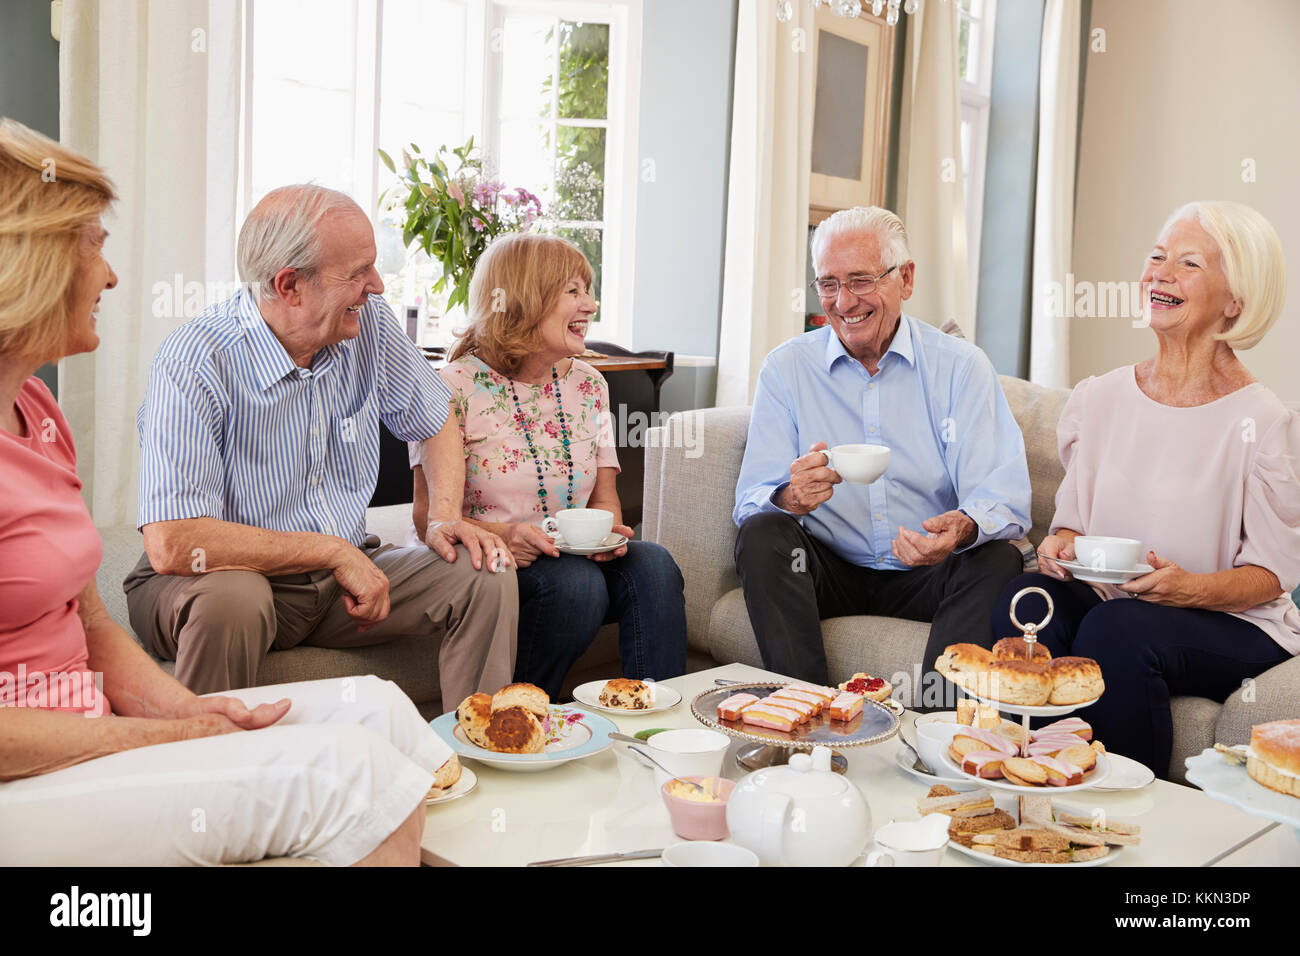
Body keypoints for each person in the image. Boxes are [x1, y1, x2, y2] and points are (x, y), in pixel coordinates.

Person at [0, 118, 448, 865]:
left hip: (85, 723)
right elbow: (174, 543)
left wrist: (198, 710)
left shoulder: (38, 415)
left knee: (379, 714)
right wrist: (164, 738)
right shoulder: (198, 356)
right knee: (355, 779)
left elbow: (88, 623)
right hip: (28, 774)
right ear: (27, 263)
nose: (110, 277)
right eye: (93, 245)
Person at [123, 183, 518, 708]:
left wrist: (445, 517)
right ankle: (205, 774)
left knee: (483, 570)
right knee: (234, 598)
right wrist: (330, 550)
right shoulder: (195, 360)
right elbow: (173, 543)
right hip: (214, 581)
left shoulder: (367, 324)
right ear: (290, 286)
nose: (377, 285)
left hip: (338, 581)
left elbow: (435, 415)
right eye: (358, 273)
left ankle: (475, 759)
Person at [992, 200, 1300, 778]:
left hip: (1237, 624)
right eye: (1157, 257)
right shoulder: (1102, 398)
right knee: (1027, 600)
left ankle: (1129, 810)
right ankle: (1028, 783)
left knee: (1119, 629)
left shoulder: (1264, 422)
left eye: (1188, 264)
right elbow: (1070, 526)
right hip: (1120, 602)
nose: (1160, 273)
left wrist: (1188, 588)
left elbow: (1271, 576)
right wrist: (1058, 547)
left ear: (1235, 302)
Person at [733, 206, 1031, 697]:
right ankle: (808, 719)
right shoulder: (786, 369)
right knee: (764, 533)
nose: (844, 301)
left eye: (861, 280)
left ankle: (936, 735)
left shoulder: (960, 368)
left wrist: (959, 528)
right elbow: (749, 502)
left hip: (928, 571)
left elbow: (1004, 500)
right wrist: (789, 496)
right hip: (828, 570)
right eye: (828, 284)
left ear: (905, 278)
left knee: (997, 558)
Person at [410, 232, 687, 699]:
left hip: (569, 553)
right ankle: (521, 720)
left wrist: (607, 537)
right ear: (524, 298)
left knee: (655, 564)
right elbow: (427, 519)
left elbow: (604, 499)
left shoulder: (590, 385)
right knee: (576, 586)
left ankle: (655, 722)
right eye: (573, 291)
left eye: (589, 290)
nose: (590, 305)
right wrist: (506, 537)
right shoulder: (451, 387)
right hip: (498, 557)